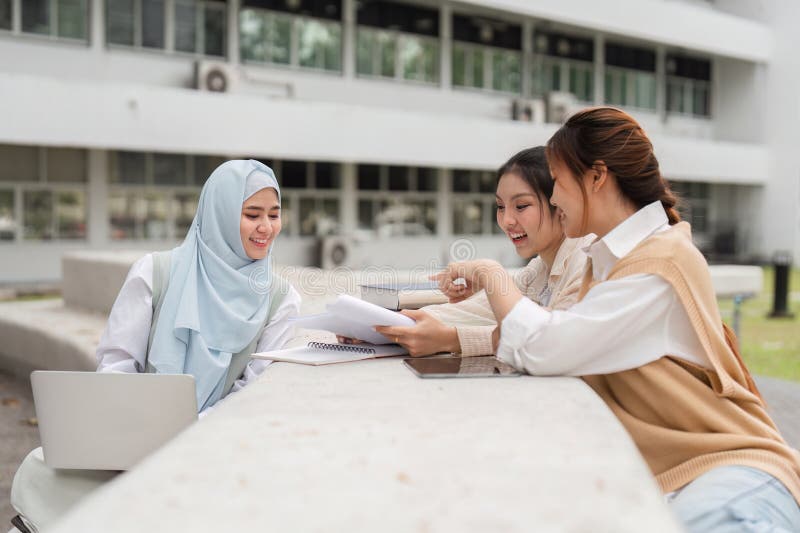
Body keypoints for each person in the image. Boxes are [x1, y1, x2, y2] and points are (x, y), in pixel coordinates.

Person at [433, 107, 800, 532]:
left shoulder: (659, 263)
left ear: (596, 177)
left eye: (558, 182)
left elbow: (545, 347)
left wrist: (490, 274)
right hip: (679, 483)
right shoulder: (608, 264)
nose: (553, 199)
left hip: (731, 477)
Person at [10, 159, 301, 533]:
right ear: (220, 214)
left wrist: (186, 433)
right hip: (132, 437)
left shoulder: (280, 299)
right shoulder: (155, 272)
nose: (266, 228)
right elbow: (117, 362)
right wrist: (127, 430)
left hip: (213, 447)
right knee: (43, 470)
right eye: (252, 214)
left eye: (274, 215)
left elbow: (253, 390)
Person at [373, 147, 591, 357]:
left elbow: (544, 339)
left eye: (521, 206)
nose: (507, 221)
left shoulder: (588, 260)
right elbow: (472, 313)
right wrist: (377, 327)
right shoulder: (539, 268)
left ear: (560, 203)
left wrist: (486, 271)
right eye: (500, 206)